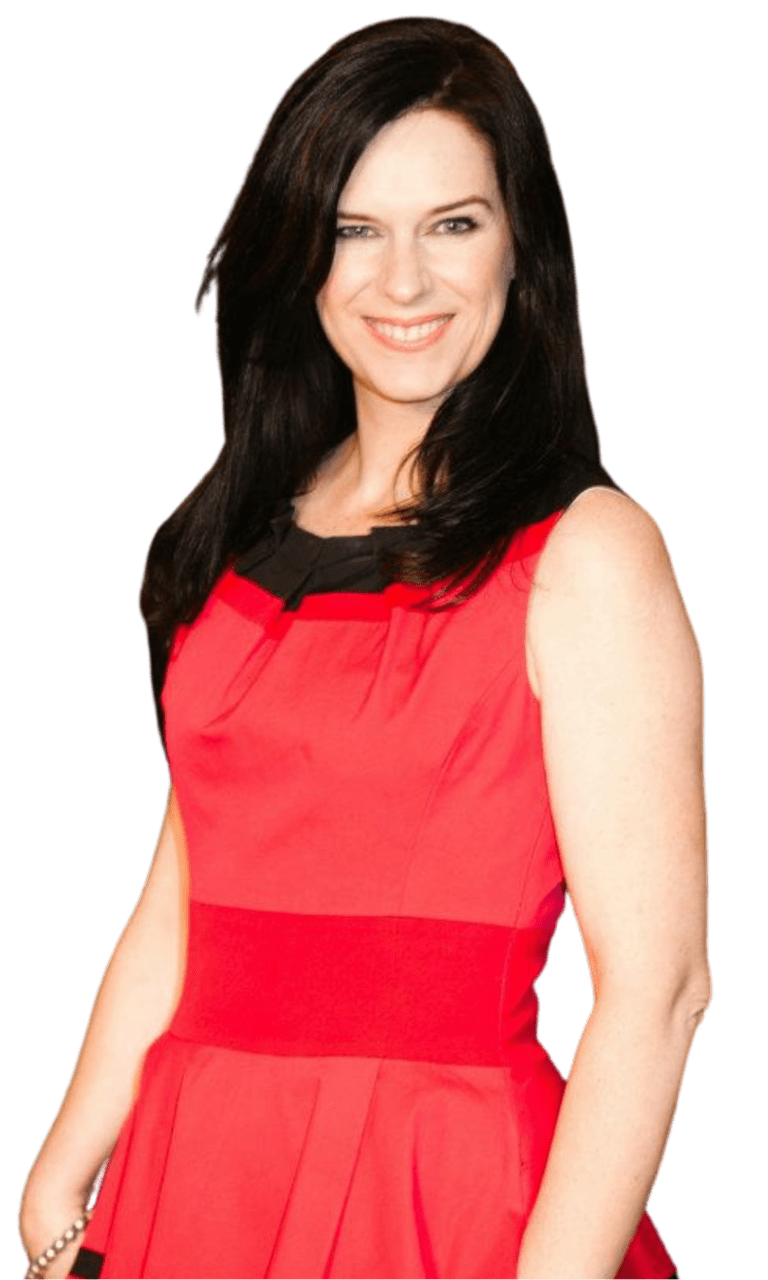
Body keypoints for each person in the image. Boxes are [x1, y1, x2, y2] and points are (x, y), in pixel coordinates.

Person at [17, 16, 708, 1280]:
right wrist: (60, 1171)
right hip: (193, 1174)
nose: (404, 281)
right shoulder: (237, 534)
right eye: (355, 228)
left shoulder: (589, 552)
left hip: (439, 1194)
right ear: (300, 253)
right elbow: (185, 898)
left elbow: (658, 990)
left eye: (454, 223)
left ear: (522, 245)